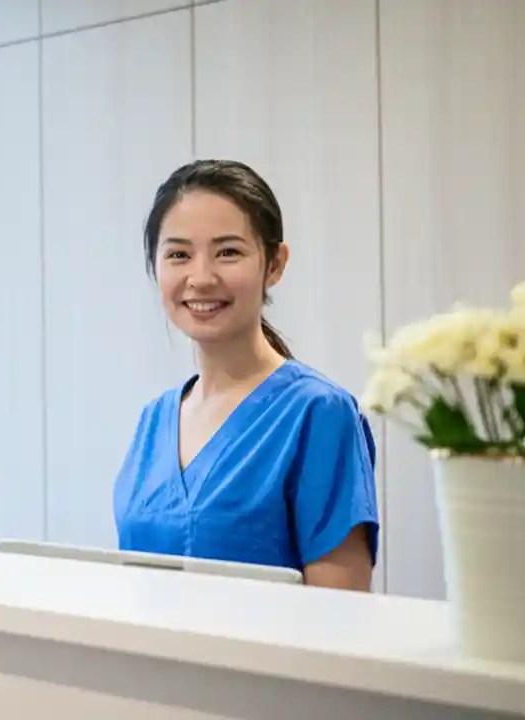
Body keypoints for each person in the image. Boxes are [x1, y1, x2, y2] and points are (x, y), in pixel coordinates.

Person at [113, 159, 379, 591]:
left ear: (274, 264)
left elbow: (341, 616)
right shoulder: (152, 421)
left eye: (228, 252)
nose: (200, 278)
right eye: (179, 254)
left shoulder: (319, 414)